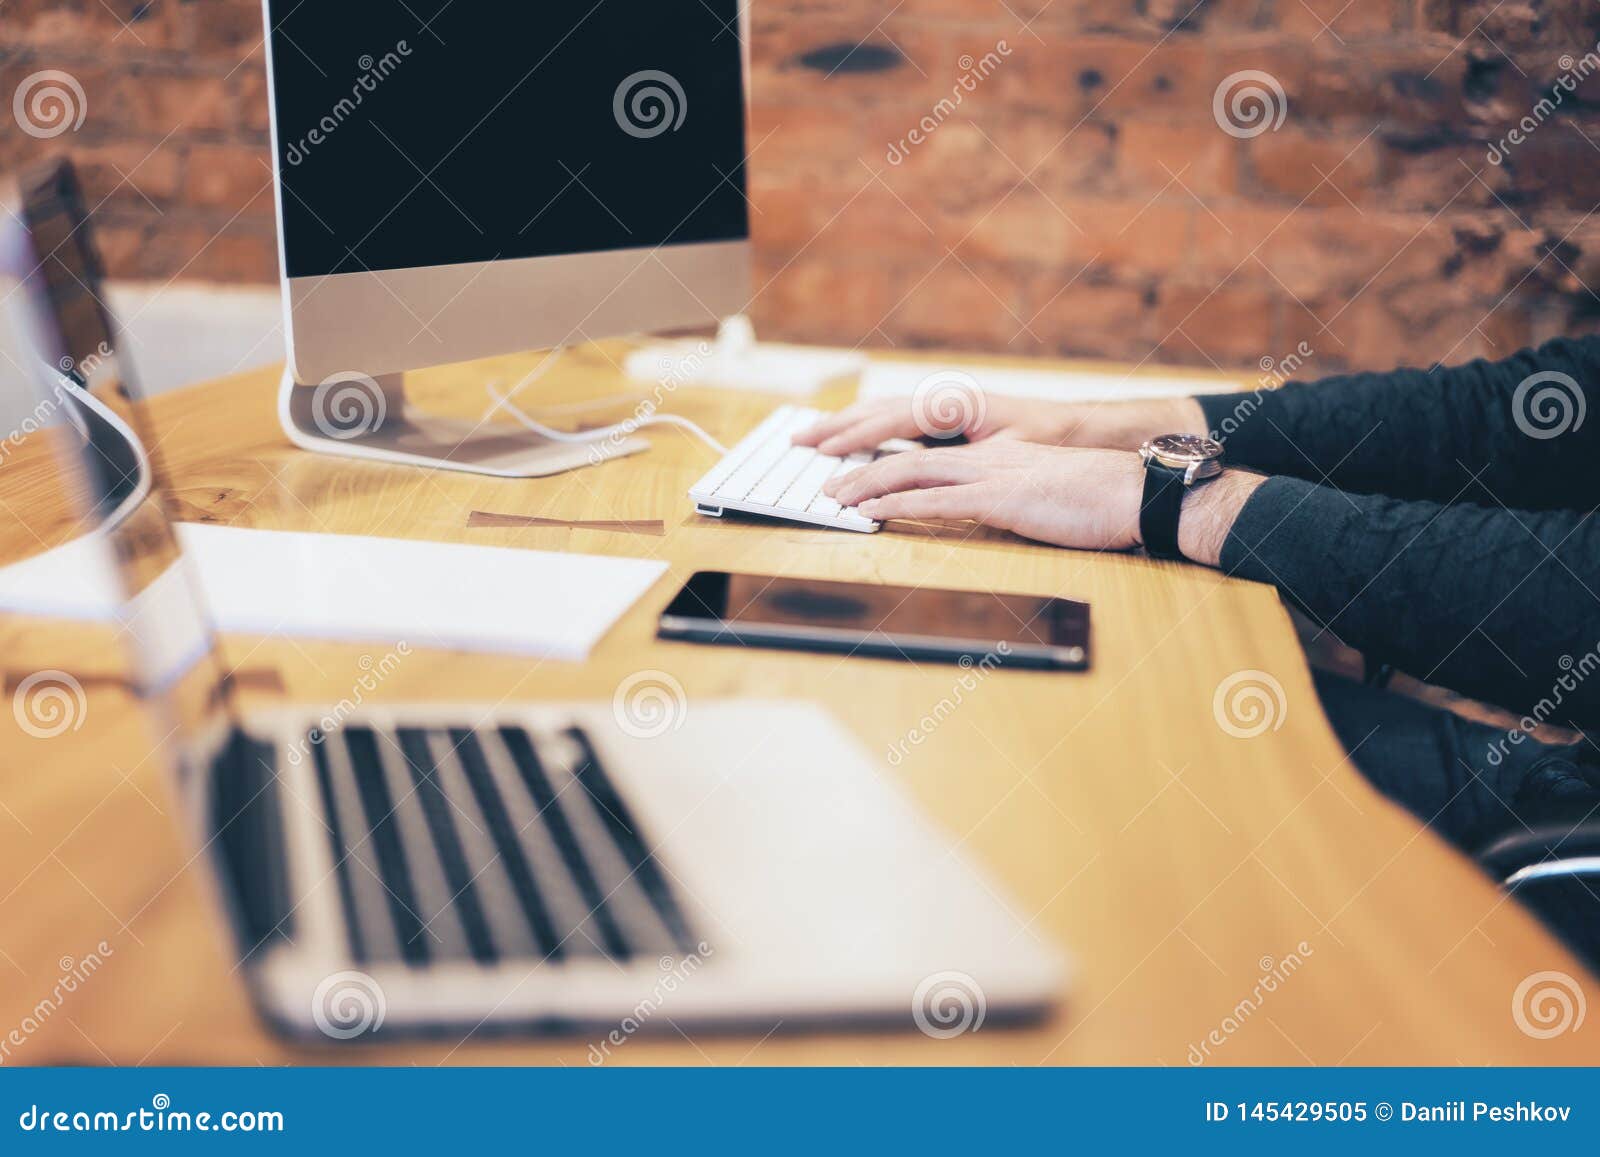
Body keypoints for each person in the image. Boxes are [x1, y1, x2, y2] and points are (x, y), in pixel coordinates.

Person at [796, 337, 1600, 953]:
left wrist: (1178, 504)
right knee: (1108, 691)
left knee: (1096, 751)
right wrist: (1098, 430)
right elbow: (1504, 413)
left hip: (1569, 840)